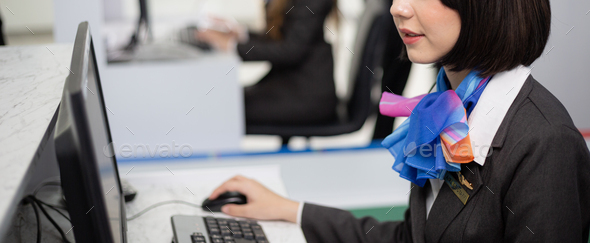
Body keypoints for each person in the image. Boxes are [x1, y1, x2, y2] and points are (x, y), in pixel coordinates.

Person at [205, 0, 590, 242]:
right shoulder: (446, 110)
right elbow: (412, 235)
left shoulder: (545, 145)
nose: (398, 7)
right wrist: (292, 210)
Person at [197, 0, 339, 126]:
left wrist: (231, 45)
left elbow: (290, 51)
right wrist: (241, 34)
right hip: (288, 86)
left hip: (307, 97)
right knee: (223, 100)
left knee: (223, 108)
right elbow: (282, 38)